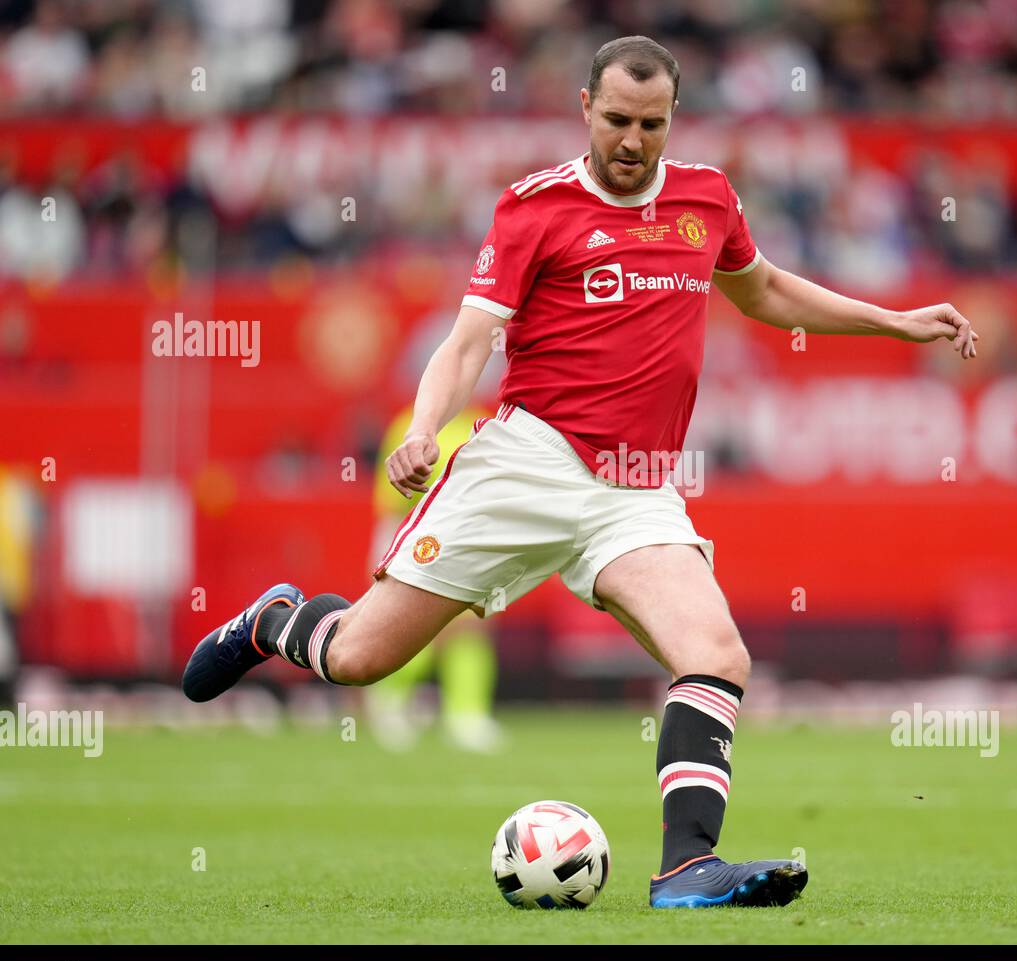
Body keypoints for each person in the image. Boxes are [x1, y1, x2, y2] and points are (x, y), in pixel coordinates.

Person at [182, 35, 977, 909]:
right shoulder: (535, 208)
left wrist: (895, 323)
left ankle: (686, 869)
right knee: (364, 656)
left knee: (716, 653)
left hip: (637, 488)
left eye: (652, 123)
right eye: (617, 120)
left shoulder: (707, 199)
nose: (633, 141)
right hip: (525, 466)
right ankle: (278, 621)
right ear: (585, 111)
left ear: (672, 118)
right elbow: (469, 340)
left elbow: (766, 292)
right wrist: (425, 425)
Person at [365, 404, 503, 753]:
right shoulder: (409, 428)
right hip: (419, 546)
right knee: (416, 630)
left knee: (471, 629)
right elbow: (392, 500)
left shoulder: (486, 426)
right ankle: (389, 700)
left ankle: (467, 716)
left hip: (470, 546)